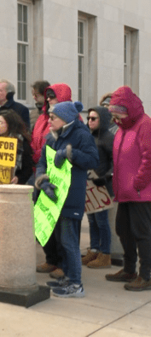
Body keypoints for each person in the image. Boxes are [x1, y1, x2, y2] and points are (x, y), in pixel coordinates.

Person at [35, 101, 99, 298]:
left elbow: (93, 160)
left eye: (53, 117)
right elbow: (42, 163)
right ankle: (68, 276)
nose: (49, 120)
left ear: (65, 119)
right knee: (60, 242)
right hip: (53, 197)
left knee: (69, 242)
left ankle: (76, 284)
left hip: (70, 197)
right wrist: (43, 182)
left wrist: (70, 153)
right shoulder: (52, 137)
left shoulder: (81, 135)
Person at [106, 86, 151, 291]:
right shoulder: (122, 127)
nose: (116, 118)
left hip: (140, 192)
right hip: (125, 191)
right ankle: (129, 269)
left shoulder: (145, 124)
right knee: (123, 230)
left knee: (142, 233)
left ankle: (146, 274)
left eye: (118, 114)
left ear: (128, 110)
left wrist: (138, 183)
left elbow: (149, 158)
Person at [31, 83, 72, 277]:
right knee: (43, 220)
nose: (48, 99)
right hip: (42, 171)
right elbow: (39, 141)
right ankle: (51, 258)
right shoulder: (43, 117)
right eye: (47, 96)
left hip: (61, 178)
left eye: (52, 96)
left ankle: (63, 263)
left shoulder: (71, 119)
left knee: (61, 226)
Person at [81, 106, 114, 269]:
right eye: (88, 118)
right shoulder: (88, 136)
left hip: (102, 186)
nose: (89, 121)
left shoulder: (108, 138)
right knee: (92, 220)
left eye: (93, 118)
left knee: (102, 221)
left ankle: (105, 254)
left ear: (102, 120)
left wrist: (107, 176)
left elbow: (115, 161)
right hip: (89, 184)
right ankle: (94, 249)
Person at [0, 110, 34, 185]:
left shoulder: (21, 143)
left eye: (1, 123)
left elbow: (28, 168)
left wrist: (18, 178)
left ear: (10, 124)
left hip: (13, 185)